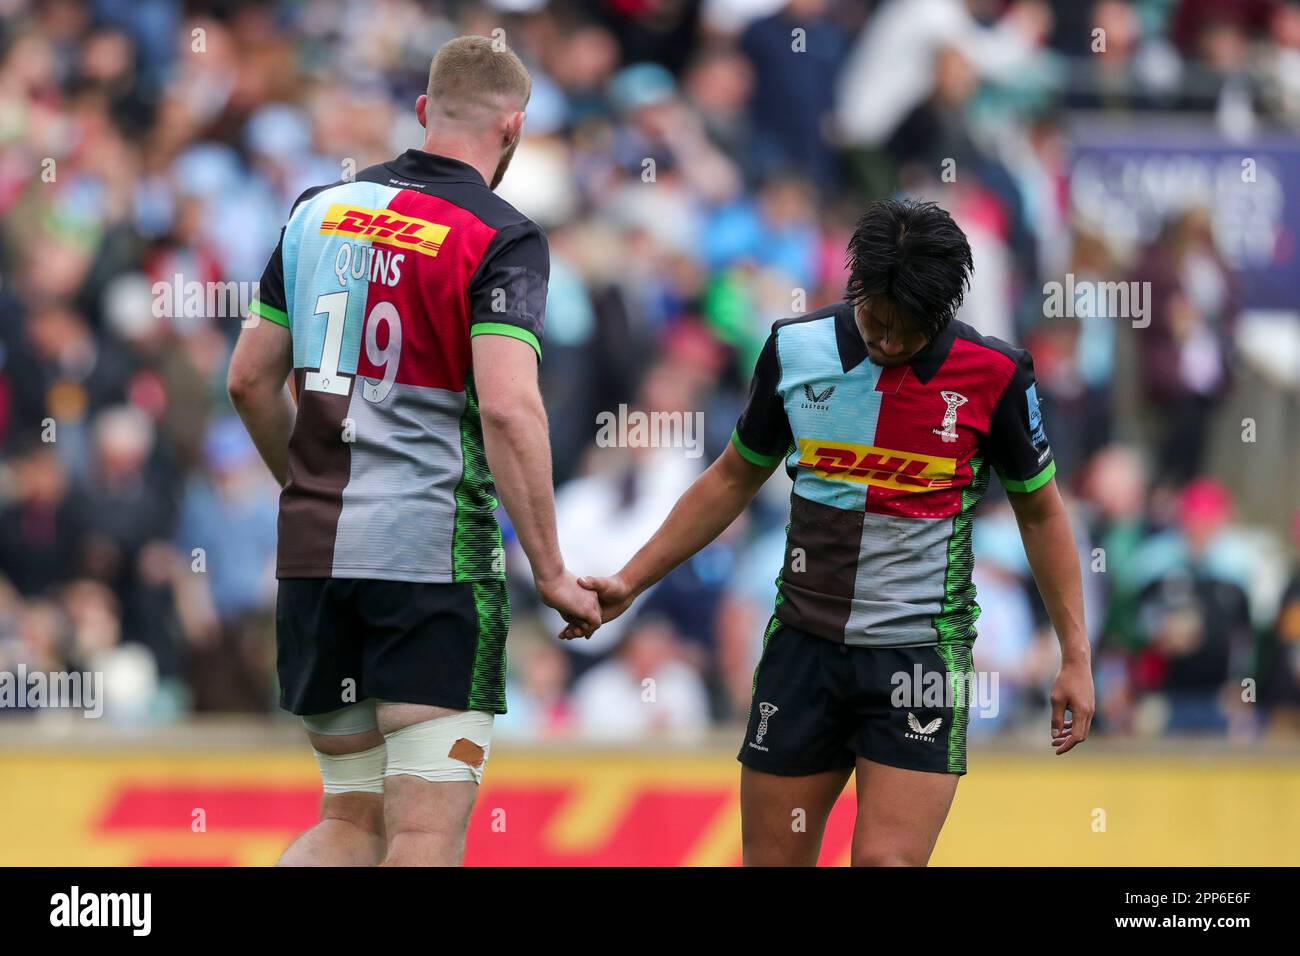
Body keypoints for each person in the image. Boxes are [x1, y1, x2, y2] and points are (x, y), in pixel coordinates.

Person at [573, 199, 1094, 866]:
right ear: (856, 287)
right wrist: (630, 578)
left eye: (909, 332)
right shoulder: (796, 349)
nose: (889, 343)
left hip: (919, 657)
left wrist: (1074, 655)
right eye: (877, 321)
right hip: (804, 648)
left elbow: (1043, 513)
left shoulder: (994, 376)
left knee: (886, 863)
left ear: (942, 313)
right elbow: (731, 478)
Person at [227, 35, 600, 867]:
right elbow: (508, 410)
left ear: (426, 110)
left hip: (317, 559)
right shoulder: (501, 235)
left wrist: (306, 486)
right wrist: (549, 569)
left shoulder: (315, 208)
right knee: (425, 833)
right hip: (430, 561)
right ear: (514, 127)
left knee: (348, 821)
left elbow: (249, 380)